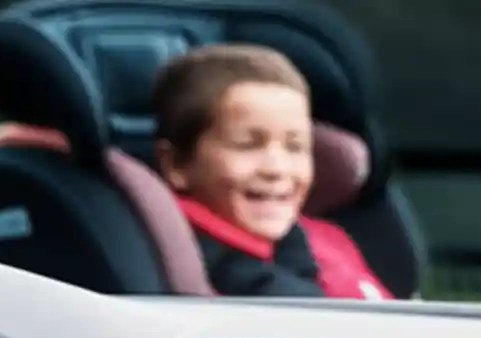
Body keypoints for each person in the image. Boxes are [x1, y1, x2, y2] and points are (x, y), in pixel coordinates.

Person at [151, 44, 391, 299]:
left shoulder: (322, 237)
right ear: (176, 164)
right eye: (247, 145)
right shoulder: (199, 261)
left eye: (295, 146)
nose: (277, 169)